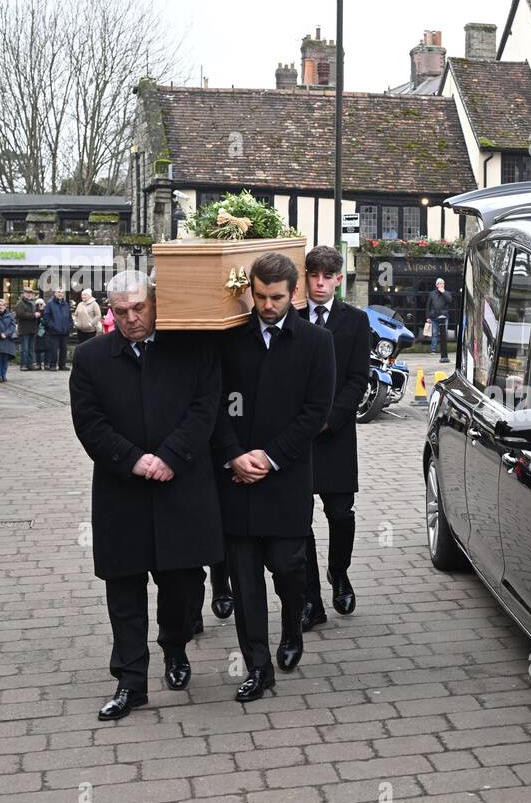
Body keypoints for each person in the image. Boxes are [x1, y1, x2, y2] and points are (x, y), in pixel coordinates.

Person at [69, 270, 223, 722]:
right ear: (109, 312)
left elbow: (205, 407)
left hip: (182, 487)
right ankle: (130, 681)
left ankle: (175, 647)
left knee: (184, 585)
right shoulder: (92, 358)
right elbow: (89, 421)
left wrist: (172, 455)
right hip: (123, 493)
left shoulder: (191, 348)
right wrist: (133, 459)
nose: (132, 318)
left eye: (139, 308)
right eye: (121, 312)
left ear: (156, 302)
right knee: (124, 592)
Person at [213, 252, 334, 701]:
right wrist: (234, 456)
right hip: (236, 480)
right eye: (260, 296)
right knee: (245, 583)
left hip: (285, 480)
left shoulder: (317, 343)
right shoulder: (228, 340)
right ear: (251, 291)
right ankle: (258, 668)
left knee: (287, 567)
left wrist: (269, 456)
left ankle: (292, 627)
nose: (267, 306)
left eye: (276, 298)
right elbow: (213, 404)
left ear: (294, 293)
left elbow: (314, 412)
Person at [300, 246, 367, 630]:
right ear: (305, 276)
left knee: (340, 515)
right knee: (299, 521)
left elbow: (359, 378)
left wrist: (329, 419)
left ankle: (338, 573)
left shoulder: (355, 321)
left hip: (336, 434)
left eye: (328, 276)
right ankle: (310, 598)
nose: (320, 282)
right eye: (314, 275)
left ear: (339, 279)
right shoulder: (290, 317)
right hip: (298, 438)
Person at [42, 287, 72, 370]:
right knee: (54, 349)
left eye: (62, 292)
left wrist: (69, 326)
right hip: (54, 331)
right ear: (55, 293)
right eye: (59, 292)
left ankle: (62, 365)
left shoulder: (65, 304)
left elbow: (69, 317)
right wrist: (53, 327)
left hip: (64, 331)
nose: (60, 294)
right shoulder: (50, 304)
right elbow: (46, 317)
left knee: (64, 349)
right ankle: (53, 365)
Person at [427, 277, 452, 364]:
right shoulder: (432, 294)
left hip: (444, 317)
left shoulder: (447, 293)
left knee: (444, 334)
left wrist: (443, 292)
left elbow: (450, 300)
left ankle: (444, 350)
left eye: (442, 283)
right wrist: (428, 316)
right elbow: (428, 305)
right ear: (436, 285)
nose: (441, 285)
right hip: (434, 316)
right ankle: (433, 350)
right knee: (434, 333)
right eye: (439, 283)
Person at [14, 288, 39, 370]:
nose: (29, 294)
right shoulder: (20, 304)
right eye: (27, 293)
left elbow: (36, 314)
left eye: (30, 293)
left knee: (31, 348)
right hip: (24, 329)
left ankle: (31, 364)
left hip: (32, 329)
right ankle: (23, 365)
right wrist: (34, 315)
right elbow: (21, 314)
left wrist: (39, 313)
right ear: (23, 293)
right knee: (24, 348)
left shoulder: (33, 303)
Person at [33, 299, 51, 370]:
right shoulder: (35, 312)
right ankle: (38, 364)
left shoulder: (47, 312)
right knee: (37, 349)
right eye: (38, 304)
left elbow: (49, 320)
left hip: (46, 331)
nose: (40, 306)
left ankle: (47, 364)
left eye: (41, 304)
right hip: (37, 332)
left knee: (47, 348)